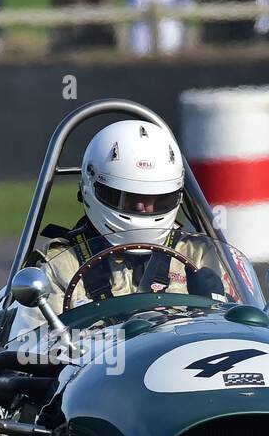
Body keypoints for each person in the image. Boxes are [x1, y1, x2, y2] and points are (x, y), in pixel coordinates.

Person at [38, 120, 232, 312]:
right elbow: (36, 339)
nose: (141, 207)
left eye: (155, 198)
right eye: (126, 197)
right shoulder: (61, 264)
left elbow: (238, 330)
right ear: (91, 188)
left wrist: (215, 308)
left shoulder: (198, 254)